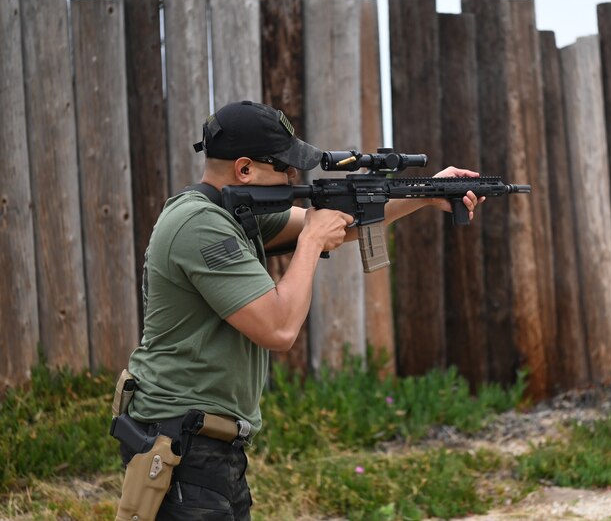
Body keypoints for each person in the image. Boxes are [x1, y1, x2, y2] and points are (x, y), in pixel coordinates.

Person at [114, 100, 483, 519]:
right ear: (245, 170)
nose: (293, 177)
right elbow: (280, 329)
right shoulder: (201, 225)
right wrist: (309, 242)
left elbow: (340, 223)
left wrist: (426, 192)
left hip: (207, 444)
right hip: (180, 445)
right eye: (285, 167)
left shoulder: (228, 214)